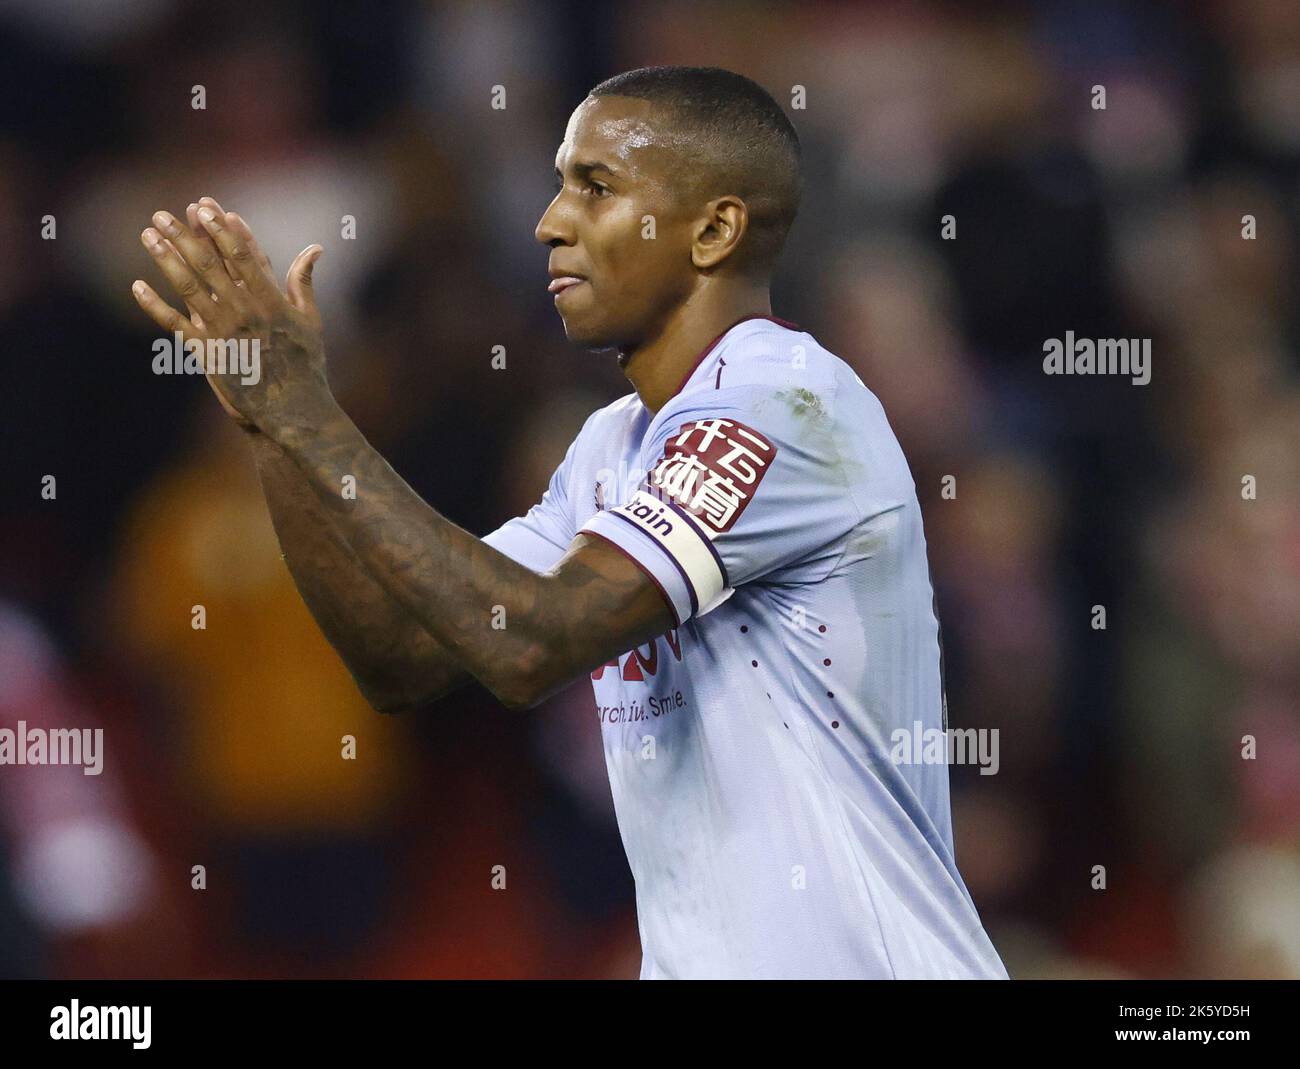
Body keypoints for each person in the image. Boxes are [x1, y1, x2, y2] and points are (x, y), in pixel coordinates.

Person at [130, 65, 1007, 980]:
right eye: (557, 183)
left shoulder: (782, 404)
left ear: (714, 230)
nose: (550, 222)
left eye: (595, 187)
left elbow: (532, 645)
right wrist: (271, 429)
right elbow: (400, 656)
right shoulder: (612, 447)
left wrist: (309, 412)